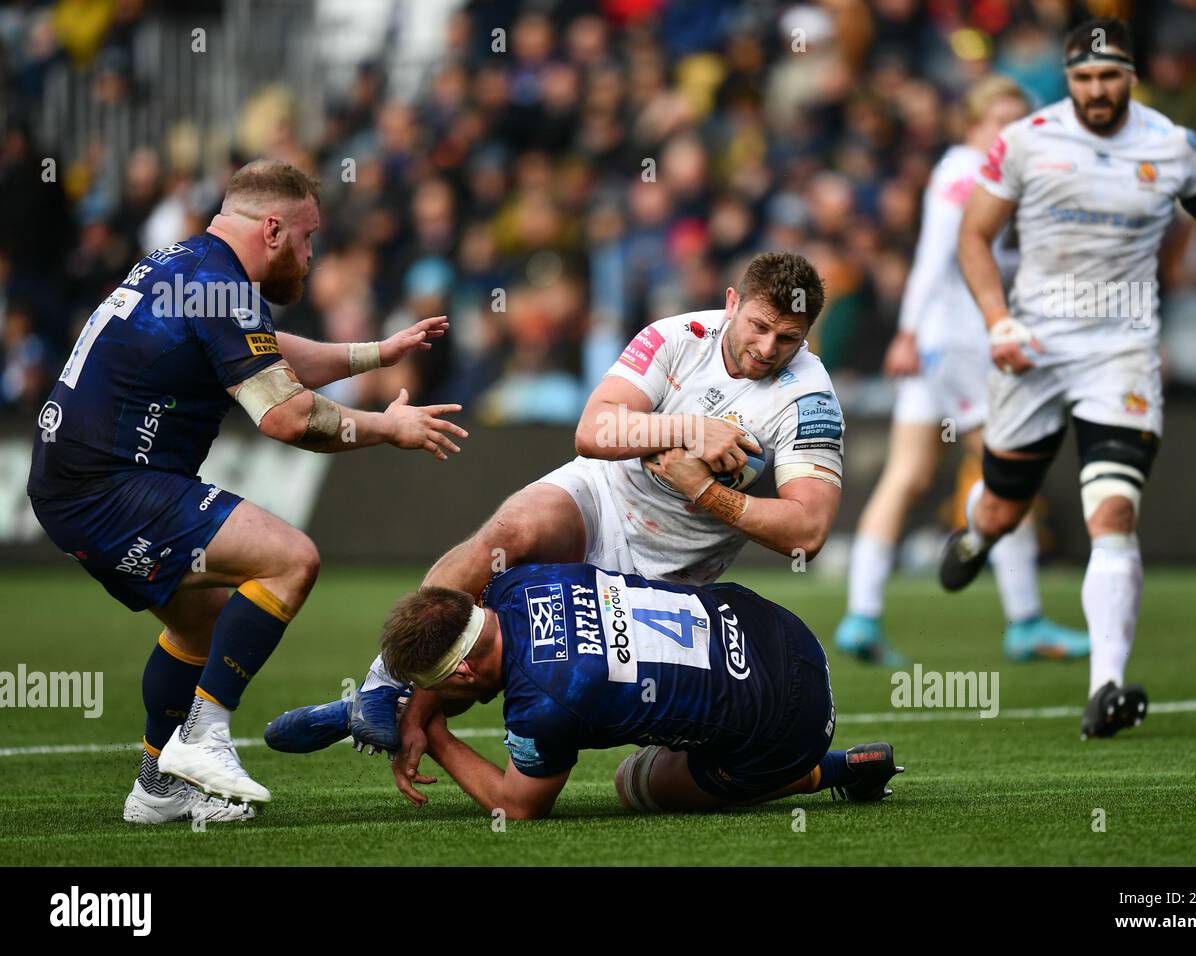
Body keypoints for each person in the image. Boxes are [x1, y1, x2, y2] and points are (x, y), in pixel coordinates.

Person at [266, 251, 848, 755]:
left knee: (515, 661)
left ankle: (383, 715)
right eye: (759, 326)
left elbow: (807, 531)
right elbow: (593, 431)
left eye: (788, 338)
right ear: (731, 303)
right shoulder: (675, 338)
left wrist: (705, 491)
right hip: (600, 493)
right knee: (503, 538)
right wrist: (691, 431)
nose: (768, 348)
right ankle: (382, 683)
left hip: (670, 570)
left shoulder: (809, 399)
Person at [26, 159, 468, 822]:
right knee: (291, 559)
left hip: (75, 479)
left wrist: (374, 354)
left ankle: (156, 788)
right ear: (271, 228)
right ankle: (205, 735)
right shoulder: (219, 283)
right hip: (109, 484)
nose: (312, 255)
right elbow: (285, 415)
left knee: (201, 619)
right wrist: (388, 428)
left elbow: (264, 349)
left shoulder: (186, 264)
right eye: (308, 238)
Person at [940, 19, 1196, 738]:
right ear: (1068, 81)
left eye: (1109, 75)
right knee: (1005, 511)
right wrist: (998, 319)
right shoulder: (1028, 139)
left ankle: (1105, 687)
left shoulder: (1173, 145)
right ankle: (976, 532)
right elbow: (973, 234)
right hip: (1033, 348)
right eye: (1083, 78)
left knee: (1113, 512)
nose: (1097, 90)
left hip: (1121, 353)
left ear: (1132, 74)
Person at [834, 75, 1089, 667]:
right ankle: (1025, 620)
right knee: (1005, 472)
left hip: (941, 346)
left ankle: (861, 613)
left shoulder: (1003, 174)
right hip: (962, 347)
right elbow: (934, 255)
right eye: (999, 119)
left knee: (909, 475)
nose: (1009, 131)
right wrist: (908, 330)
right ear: (973, 124)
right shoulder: (966, 171)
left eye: (1017, 120)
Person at [382, 562, 904, 818]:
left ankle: (836, 768)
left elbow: (517, 807)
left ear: (465, 675)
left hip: (795, 723)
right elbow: (459, 627)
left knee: (635, 783)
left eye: (434, 689)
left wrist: (433, 732)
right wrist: (418, 708)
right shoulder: (520, 581)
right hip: (785, 631)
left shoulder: (543, 702)